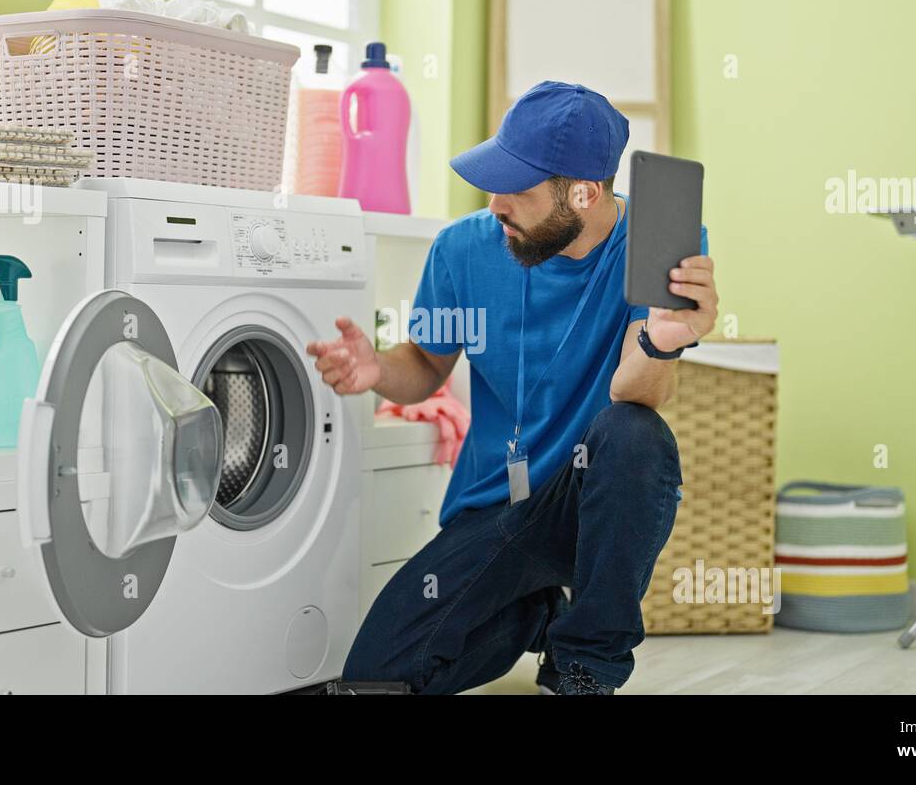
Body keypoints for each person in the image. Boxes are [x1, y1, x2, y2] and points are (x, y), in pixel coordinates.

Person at [306, 81, 719, 694]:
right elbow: (424, 363)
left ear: (583, 193)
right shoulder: (463, 248)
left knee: (636, 435)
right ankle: (536, 612)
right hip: (496, 504)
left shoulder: (654, 246)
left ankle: (585, 666)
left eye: (516, 189)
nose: (495, 202)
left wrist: (663, 338)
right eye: (493, 181)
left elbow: (639, 396)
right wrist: (379, 371)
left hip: (589, 497)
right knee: (379, 677)